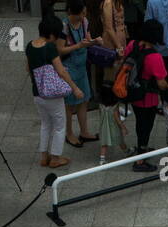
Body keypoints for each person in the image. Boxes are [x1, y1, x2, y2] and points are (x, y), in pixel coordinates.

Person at [27, 17, 85, 170]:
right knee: (59, 126)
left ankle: (43, 156)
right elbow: (61, 72)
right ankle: (55, 158)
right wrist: (75, 88)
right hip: (52, 95)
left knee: (45, 124)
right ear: (52, 34)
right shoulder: (50, 48)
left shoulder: (29, 46)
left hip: (37, 93)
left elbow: (28, 68)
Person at [127, 22, 168, 173]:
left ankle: (142, 149)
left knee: (140, 123)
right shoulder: (155, 57)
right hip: (148, 97)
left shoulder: (132, 45)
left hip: (133, 93)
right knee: (146, 126)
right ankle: (140, 159)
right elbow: (161, 83)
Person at [58, 0, 97, 148]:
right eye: (83, 12)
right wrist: (78, 45)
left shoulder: (84, 22)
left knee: (84, 100)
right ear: (76, 13)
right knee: (69, 104)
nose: (85, 15)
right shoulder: (64, 27)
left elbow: (87, 39)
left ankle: (84, 131)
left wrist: (94, 42)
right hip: (69, 68)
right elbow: (60, 50)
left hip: (81, 67)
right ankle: (69, 134)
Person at [95, 83, 130, 164]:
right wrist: (123, 128)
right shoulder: (115, 105)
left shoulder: (100, 104)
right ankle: (127, 151)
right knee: (120, 140)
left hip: (104, 126)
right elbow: (117, 118)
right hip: (114, 126)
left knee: (104, 143)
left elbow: (101, 114)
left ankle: (102, 159)